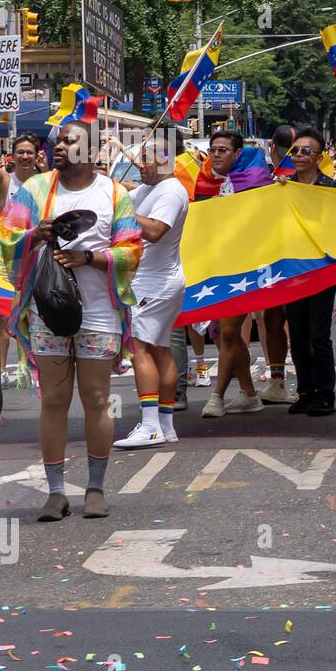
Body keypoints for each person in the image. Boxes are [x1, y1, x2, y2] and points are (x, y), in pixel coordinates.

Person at [0, 120, 142, 521]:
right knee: (55, 400)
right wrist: (34, 235)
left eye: (68, 140)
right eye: (57, 140)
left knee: (96, 399)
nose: (57, 146)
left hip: (98, 312)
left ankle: (95, 488)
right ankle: (56, 492)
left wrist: (89, 258)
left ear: (91, 149)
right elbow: (7, 235)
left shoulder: (115, 194)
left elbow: (131, 249)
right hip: (48, 310)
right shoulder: (35, 190)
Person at [114, 135, 189, 449]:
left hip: (154, 284)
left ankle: (149, 426)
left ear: (164, 159)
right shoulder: (151, 186)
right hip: (154, 281)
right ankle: (166, 425)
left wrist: (122, 214)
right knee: (160, 350)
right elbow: (130, 188)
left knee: (141, 349)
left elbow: (156, 231)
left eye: (144, 158)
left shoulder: (171, 191)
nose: (138, 165)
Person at [280, 126, 336, 416]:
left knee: (318, 333)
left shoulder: (334, 189)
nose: (299, 156)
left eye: (306, 151)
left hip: (322, 268)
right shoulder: (282, 188)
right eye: (295, 150)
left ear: (319, 157)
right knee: (296, 331)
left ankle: (325, 393)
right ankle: (305, 391)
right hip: (293, 269)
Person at [200, 131, 266, 417]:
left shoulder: (257, 182)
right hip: (215, 264)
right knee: (221, 334)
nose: (216, 155)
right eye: (213, 149)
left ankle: (216, 396)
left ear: (237, 154)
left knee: (228, 330)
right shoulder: (203, 181)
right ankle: (250, 394)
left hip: (246, 265)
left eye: (223, 150)